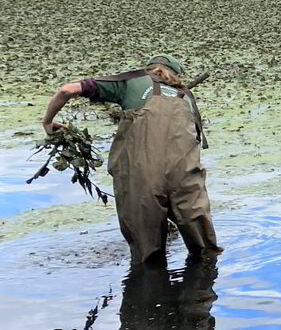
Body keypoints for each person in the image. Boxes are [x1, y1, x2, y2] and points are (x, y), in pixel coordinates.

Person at [41, 53, 221, 265]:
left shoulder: (131, 82)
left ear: (149, 70)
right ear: (177, 75)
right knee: (206, 254)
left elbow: (66, 90)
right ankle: (201, 294)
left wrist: (48, 122)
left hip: (141, 181)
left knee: (148, 259)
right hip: (187, 181)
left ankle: (150, 295)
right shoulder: (186, 96)